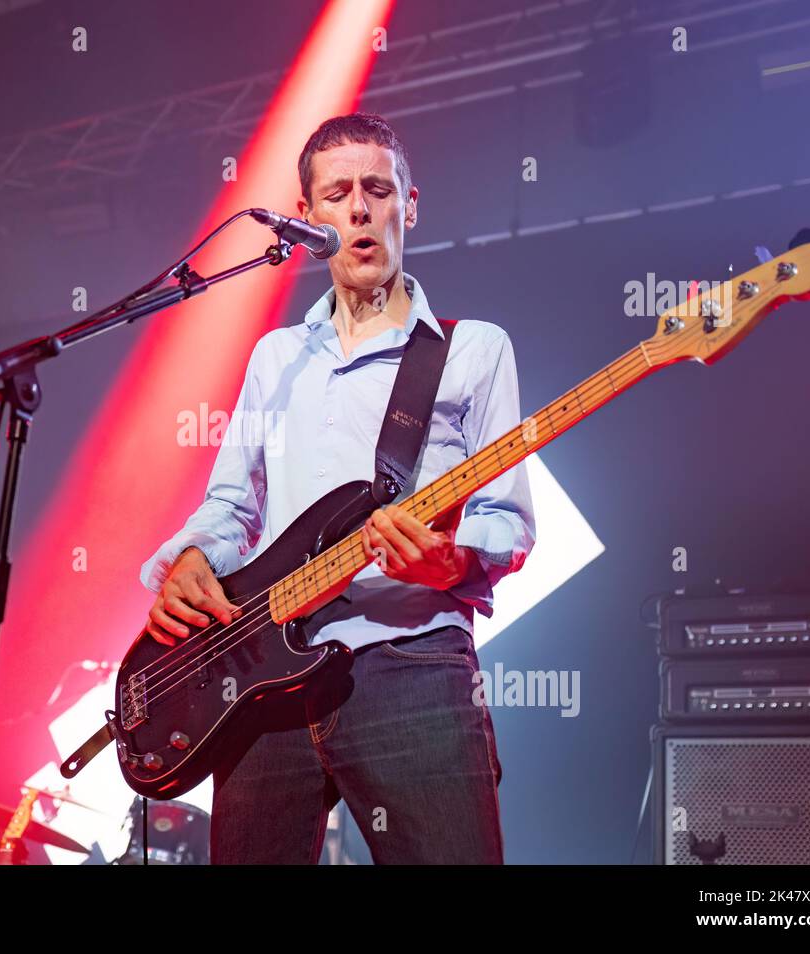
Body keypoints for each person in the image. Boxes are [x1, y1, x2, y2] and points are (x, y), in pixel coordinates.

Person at [139, 113, 536, 864]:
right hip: (265, 676)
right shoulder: (276, 356)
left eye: (378, 190)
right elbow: (232, 505)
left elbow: (505, 518)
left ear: (408, 207)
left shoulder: (473, 350)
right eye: (338, 193)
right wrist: (191, 556)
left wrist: (449, 561)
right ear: (309, 216)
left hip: (412, 661)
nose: (359, 208)